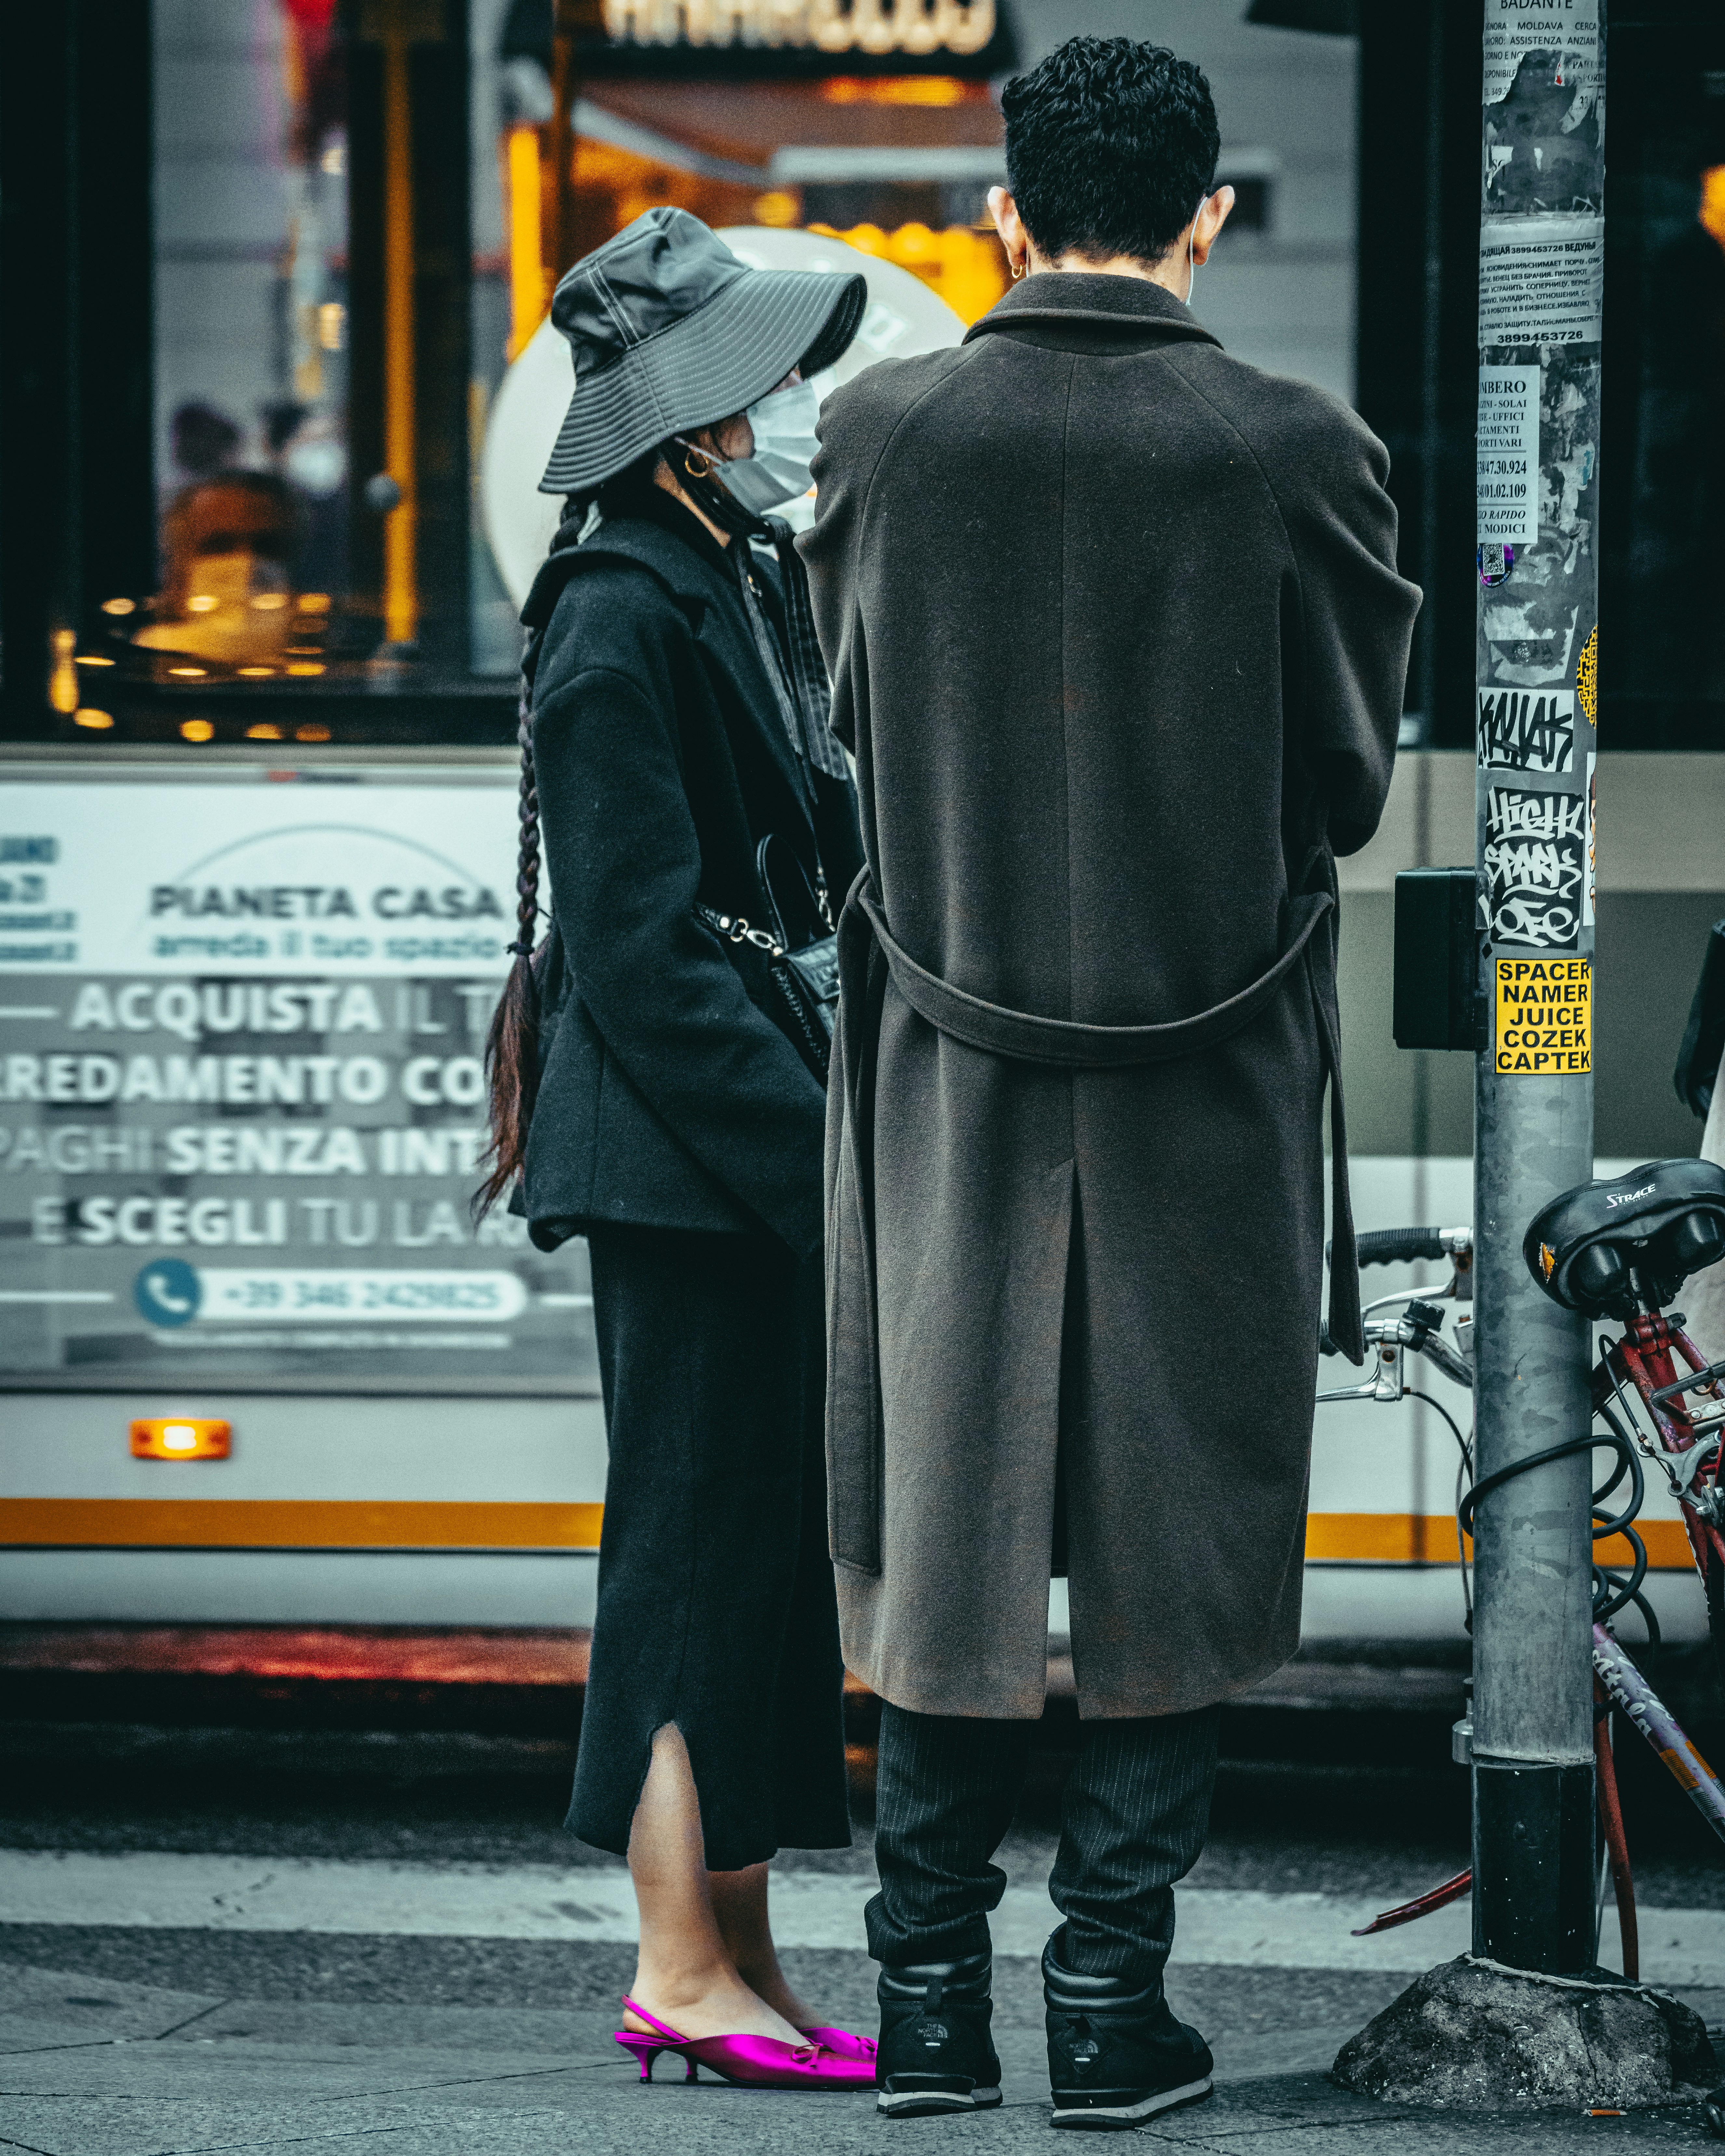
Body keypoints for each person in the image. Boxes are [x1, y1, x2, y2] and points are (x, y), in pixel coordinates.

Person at [801, 36, 1421, 2129]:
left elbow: (848, 739)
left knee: (946, 1523)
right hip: (1200, 1073)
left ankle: (924, 2014)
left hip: (943, 1071)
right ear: (1204, 212)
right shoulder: (1293, 445)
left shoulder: (881, 432)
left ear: (1001, 208)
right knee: (1173, 1530)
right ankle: (1101, 2009)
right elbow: (1341, 783)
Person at [479, 206, 875, 2092]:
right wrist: (822, 1168)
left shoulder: (733, 569)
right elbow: (638, 953)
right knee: (683, 1561)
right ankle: (670, 1960)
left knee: (752, 1569)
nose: (800, 405)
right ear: (695, 420)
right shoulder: (619, 603)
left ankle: (745, 1952)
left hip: (731, 1154)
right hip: (679, 1162)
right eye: (775, 382)